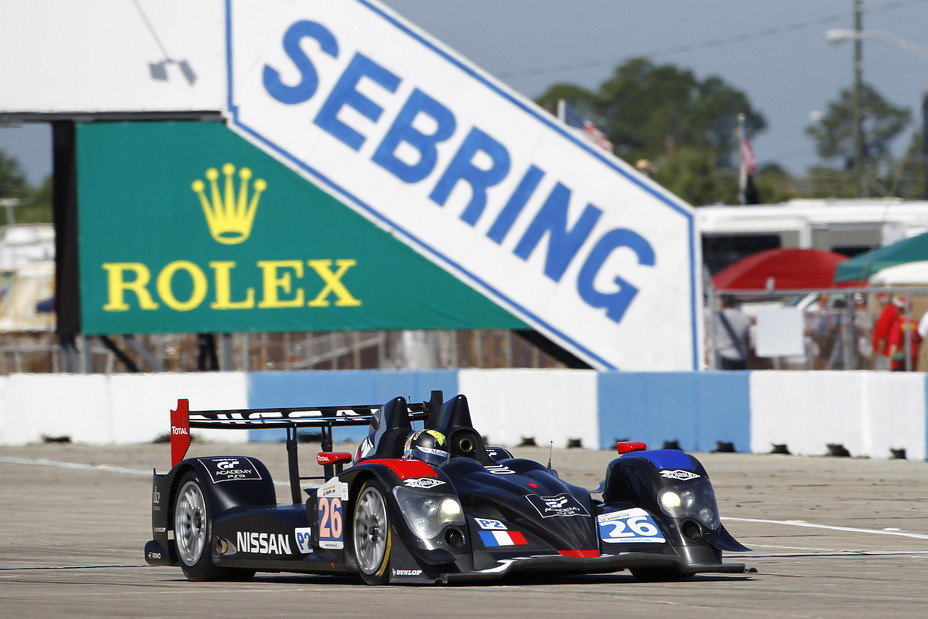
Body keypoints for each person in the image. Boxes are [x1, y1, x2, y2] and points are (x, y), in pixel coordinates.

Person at [714, 294, 751, 370]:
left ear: (722, 303)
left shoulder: (717, 316)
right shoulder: (744, 318)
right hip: (741, 356)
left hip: (724, 355)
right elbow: (747, 339)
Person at [887, 297, 921, 372]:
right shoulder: (915, 324)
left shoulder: (898, 324)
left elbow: (894, 344)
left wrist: (889, 362)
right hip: (913, 362)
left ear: (899, 309)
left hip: (899, 364)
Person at [872, 292, 899, 370]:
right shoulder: (893, 310)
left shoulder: (887, 312)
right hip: (890, 353)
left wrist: (879, 353)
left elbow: (882, 336)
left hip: (885, 353)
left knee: (881, 378)